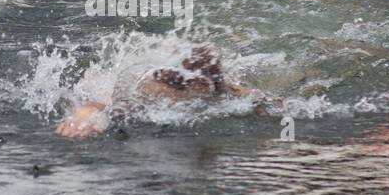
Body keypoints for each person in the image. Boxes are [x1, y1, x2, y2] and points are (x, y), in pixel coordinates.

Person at [56, 44, 248, 138]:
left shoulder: (216, 89)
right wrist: (83, 117)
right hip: (110, 84)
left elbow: (251, 95)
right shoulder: (144, 92)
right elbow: (97, 104)